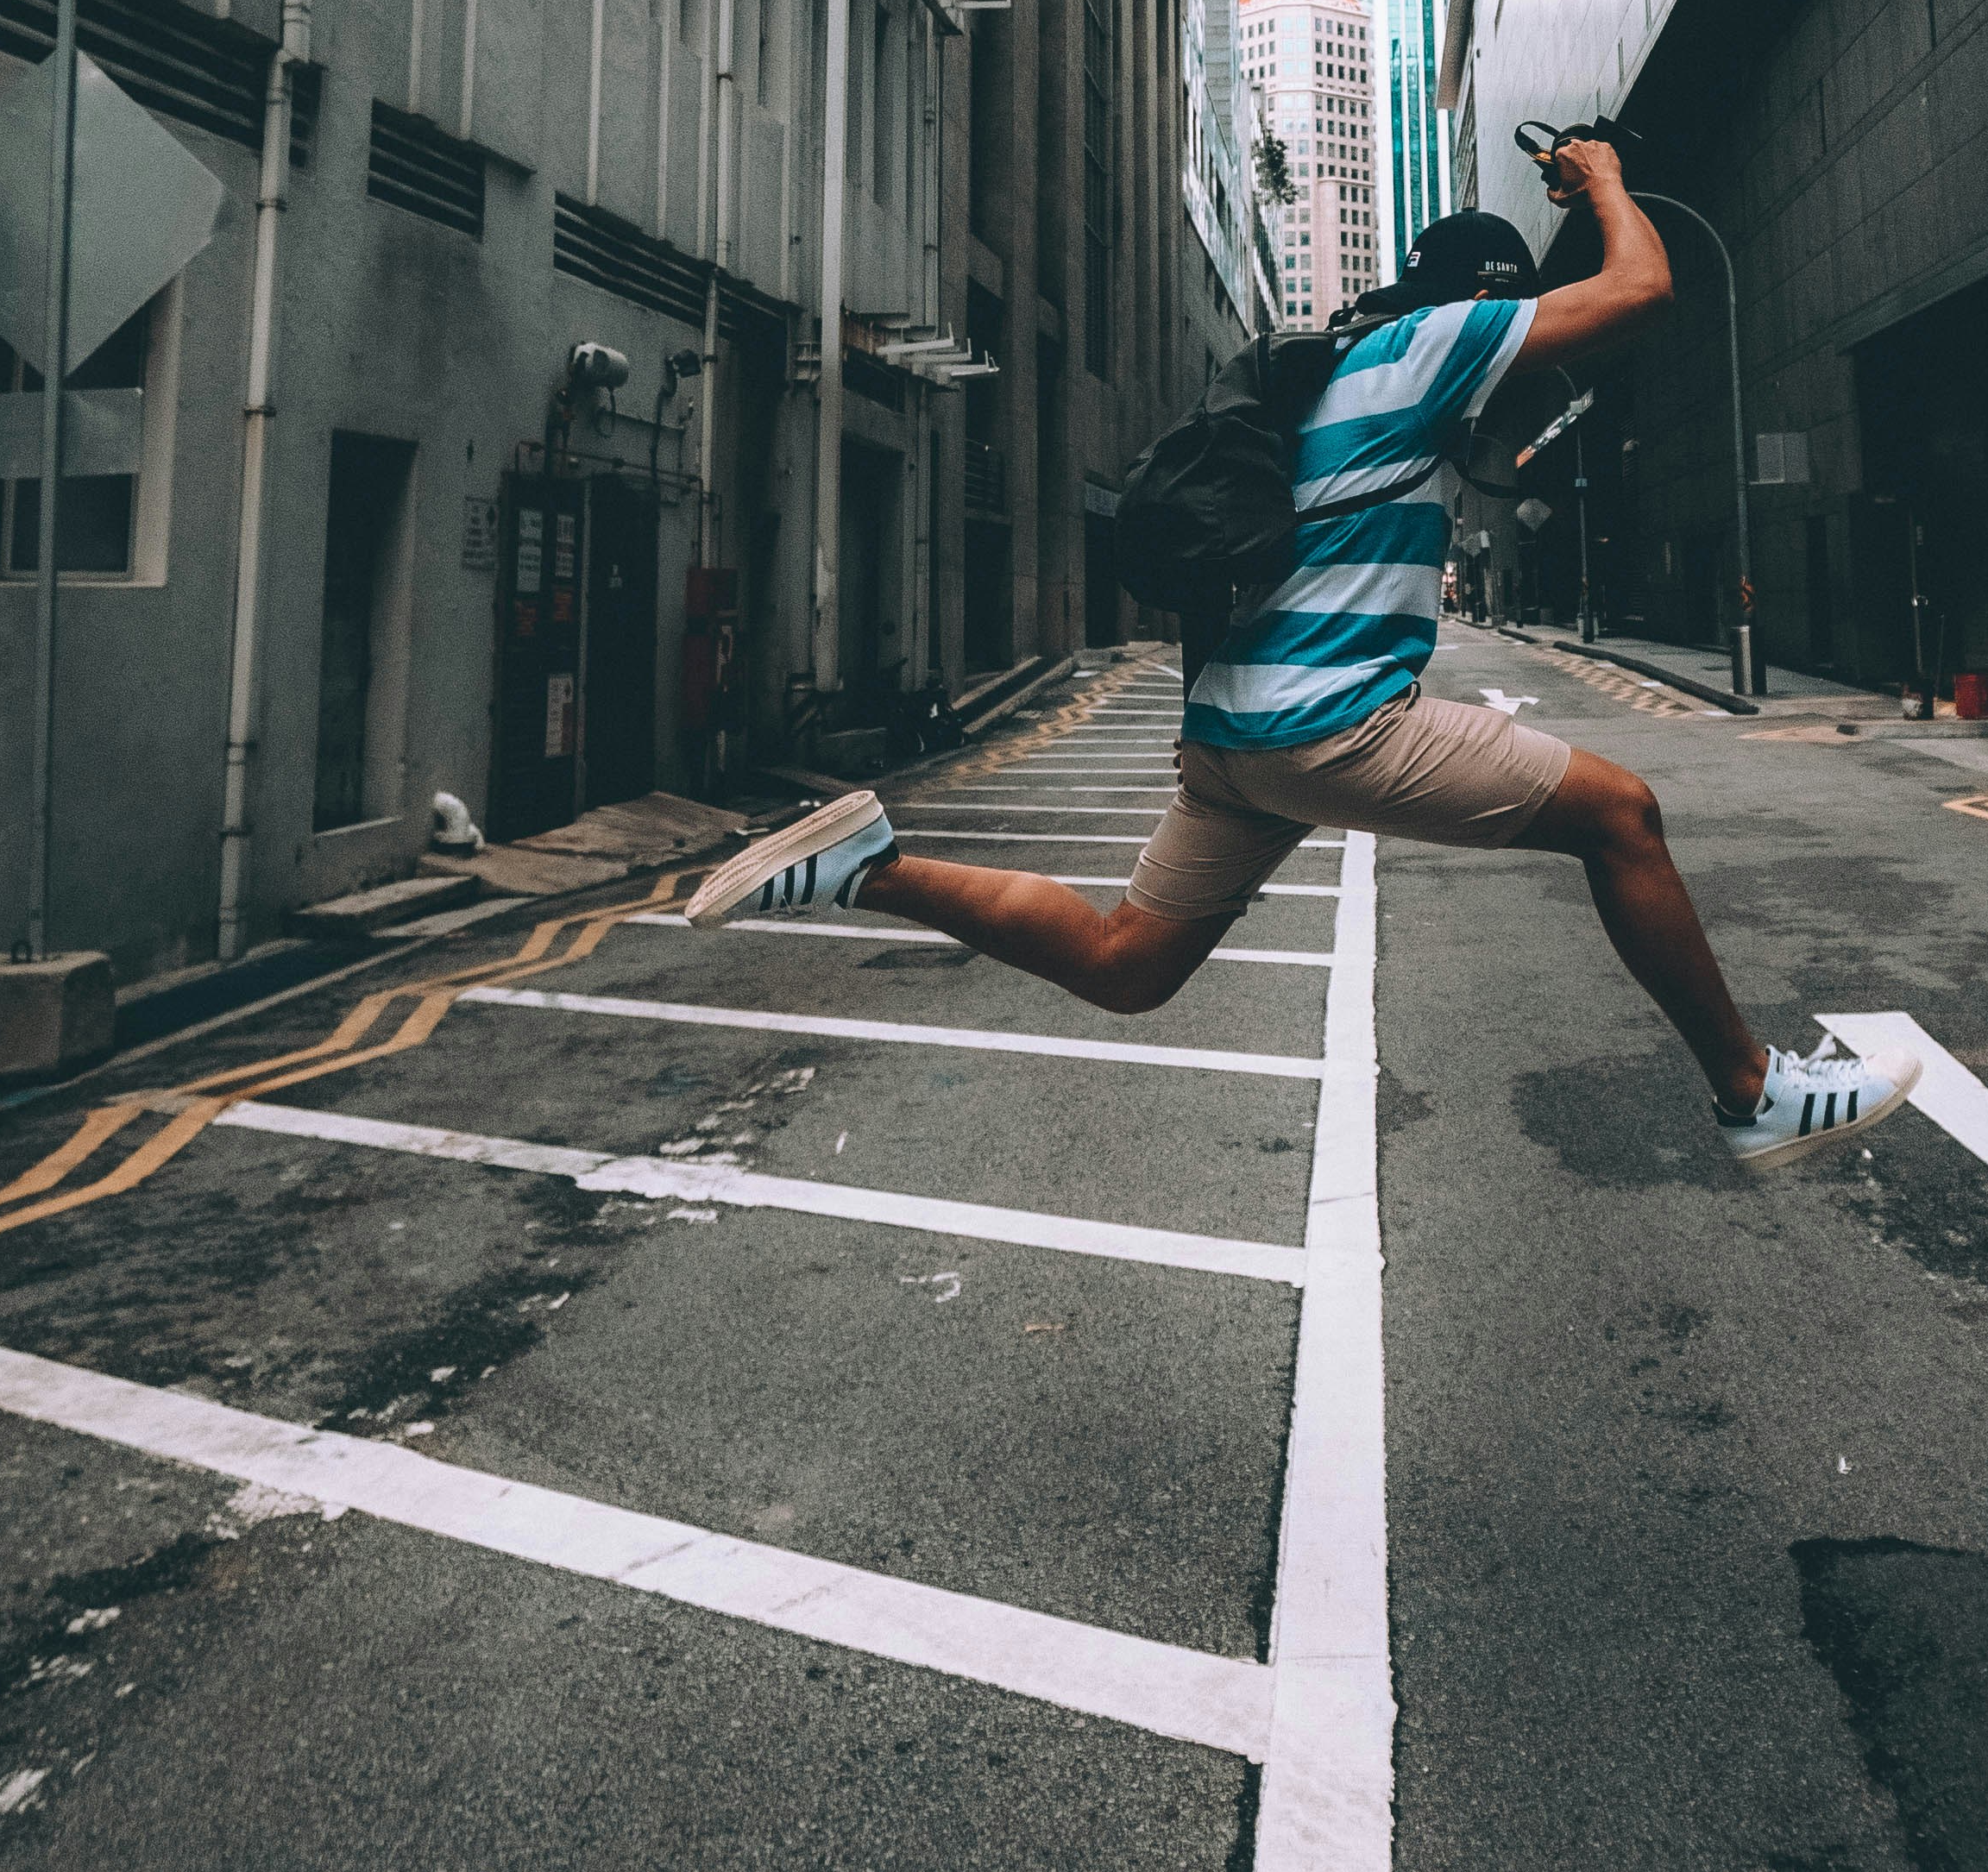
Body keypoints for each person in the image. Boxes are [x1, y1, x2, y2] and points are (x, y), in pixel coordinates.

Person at [689, 137, 1919, 1159]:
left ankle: (870, 867)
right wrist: (1604, 181)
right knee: (1623, 815)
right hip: (1329, 722)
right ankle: (1752, 1092)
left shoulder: (1327, 371)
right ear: (1482, 300)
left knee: (1127, 965)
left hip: (1232, 736)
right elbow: (1642, 292)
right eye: (1512, 316)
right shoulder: (1440, 342)